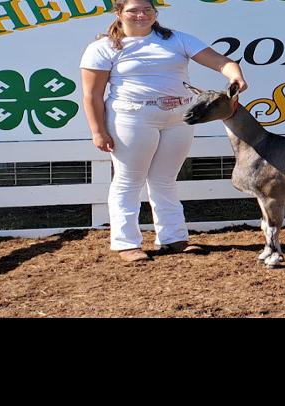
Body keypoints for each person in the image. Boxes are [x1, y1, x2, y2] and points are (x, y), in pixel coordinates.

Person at [80, 0, 248, 262]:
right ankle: (127, 243)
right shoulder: (102, 47)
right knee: (128, 180)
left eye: (147, 9)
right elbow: (92, 95)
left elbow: (219, 61)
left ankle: (173, 238)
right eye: (133, 10)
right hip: (132, 117)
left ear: (155, 13)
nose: (141, 15)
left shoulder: (177, 39)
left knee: (165, 179)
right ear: (119, 13)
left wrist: (234, 74)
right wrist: (97, 131)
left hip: (179, 116)